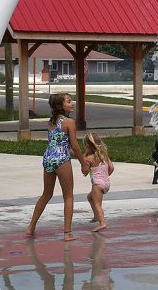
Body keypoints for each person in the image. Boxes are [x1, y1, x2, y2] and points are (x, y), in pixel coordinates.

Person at [26, 92, 90, 241]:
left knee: (46, 194)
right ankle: (67, 233)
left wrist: (80, 158)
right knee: (68, 196)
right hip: (62, 159)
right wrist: (83, 163)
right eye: (69, 101)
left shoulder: (51, 121)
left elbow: (59, 144)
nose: (72, 103)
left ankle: (31, 227)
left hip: (48, 158)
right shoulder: (69, 122)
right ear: (60, 106)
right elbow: (74, 145)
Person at [83, 133, 114, 232]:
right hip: (106, 183)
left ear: (87, 146)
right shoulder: (103, 155)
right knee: (90, 197)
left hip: (97, 185)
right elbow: (111, 168)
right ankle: (96, 216)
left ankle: (102, 223)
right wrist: (104, 177)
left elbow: (84, 172)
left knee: (97, 204)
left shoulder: (88, 158)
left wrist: (83, 158)